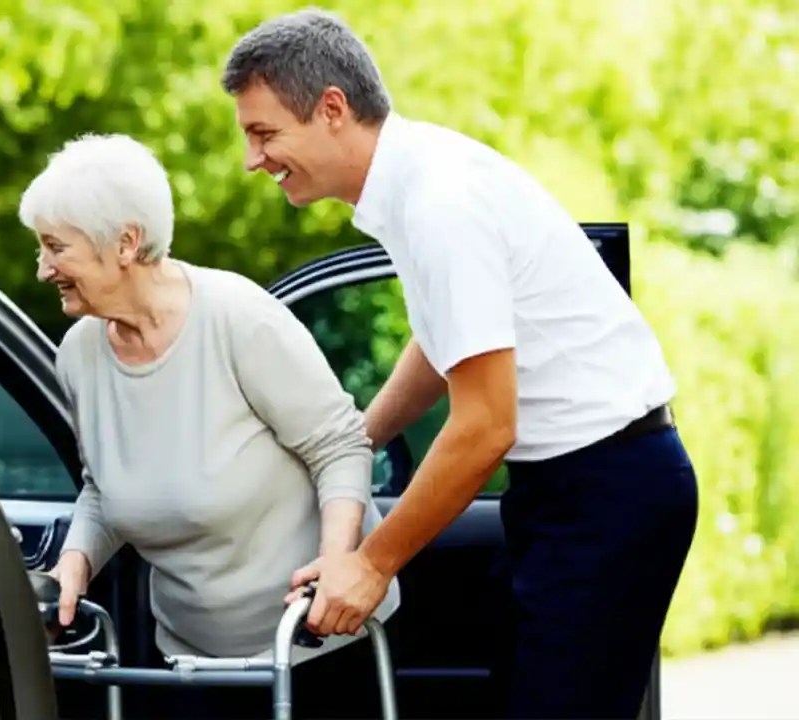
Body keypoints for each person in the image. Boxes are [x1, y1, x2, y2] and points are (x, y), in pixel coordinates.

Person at [220, 9, 699, 720]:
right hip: (566, 491)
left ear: (331, 109)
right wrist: (358, 441)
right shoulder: (417, 184)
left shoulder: (439, 203)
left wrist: (373, 563)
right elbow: (445, 345)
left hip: (607, 493)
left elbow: (483, 427)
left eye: (264, 133)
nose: (253, 158)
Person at [19, 132, 400, 719]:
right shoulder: (80, 354)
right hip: (192, 664)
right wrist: (72, 568)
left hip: (312, 648)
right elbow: (104, 486)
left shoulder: (238, 320)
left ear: (125, 243)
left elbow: (340, 446)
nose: (43, 269)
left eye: (55, 248)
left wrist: (336, 570)